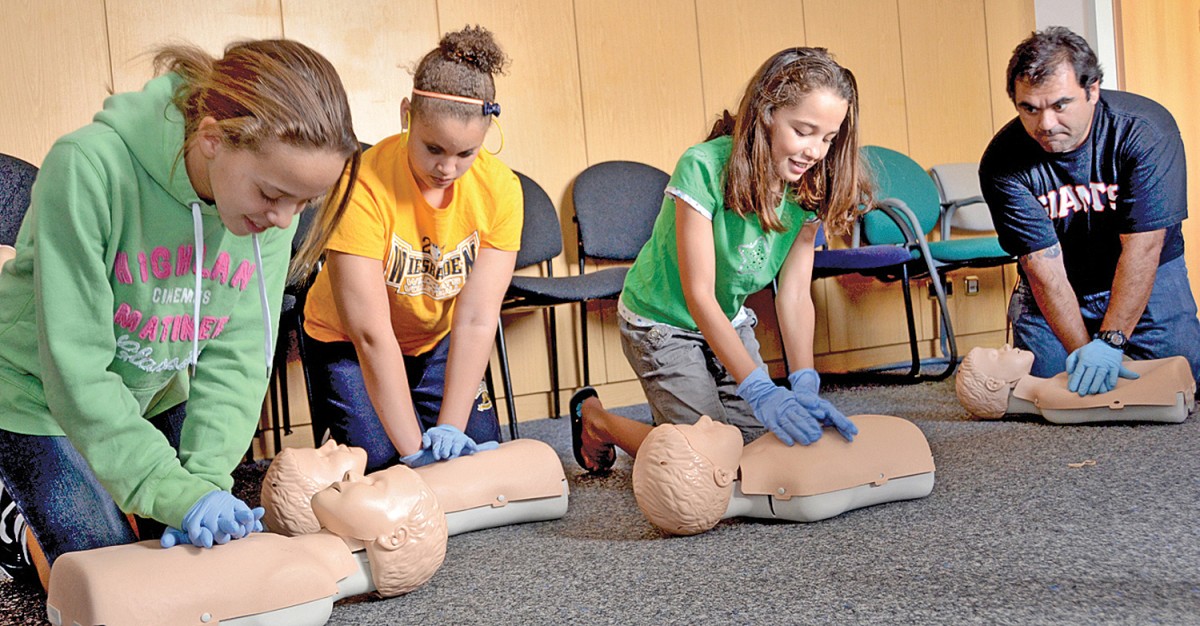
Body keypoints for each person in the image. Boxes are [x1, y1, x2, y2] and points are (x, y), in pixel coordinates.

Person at [0, 38, 361, 572]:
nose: (285, 220)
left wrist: (204, 484)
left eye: (303, 203)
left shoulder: (268, 213)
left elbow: (238, 359)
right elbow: (75, 370)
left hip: (154, 386)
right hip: (36, 395)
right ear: (213, 139)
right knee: (109, 566)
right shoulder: (87, 168)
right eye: (271, 195)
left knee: (202, 553)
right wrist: (167, 489)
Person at [571, 47, 869, 473]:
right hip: (662, 323)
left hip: (726, 319)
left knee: (766, 449)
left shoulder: (809, 187)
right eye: (803, 131)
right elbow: (698, 295)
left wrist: (804, 381)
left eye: (828, 138)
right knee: (708, 459)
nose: (816, 151)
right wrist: (761, 390)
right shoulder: (703, 168)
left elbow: (795, 295)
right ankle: (598, 421)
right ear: (766, 112)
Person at [302, 25, 521, 473]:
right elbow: (370, 333)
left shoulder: (501, 190)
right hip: (347, 339)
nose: (447, 168)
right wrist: (414, 454)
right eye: (433, 148)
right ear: (407, 114)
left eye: (466, 153)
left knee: (475, 457)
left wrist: (452, 429)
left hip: (433, 340)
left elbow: (478, 318)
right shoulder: (361, 181)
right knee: (384, 464)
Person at [979, 26, 1200, 398]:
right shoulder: (1002, 162)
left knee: (1183, 377)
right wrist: (1084, 354)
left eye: (1059, 105)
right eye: (1029, 109)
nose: (1045, 125)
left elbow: (1144, 248)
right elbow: (1042, 267)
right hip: (1060, 279)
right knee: (1046, 384)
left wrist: (1111, 342)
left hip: (1148, 271)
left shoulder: (1145, 131)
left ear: (1092, 90)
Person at [956, 345, 1194, 423]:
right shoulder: (1049, 400)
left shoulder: (1049, 388)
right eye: (995, 355)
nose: (1006, 346)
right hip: (1168, 396)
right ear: (994, 384)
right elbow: (1112, 403)